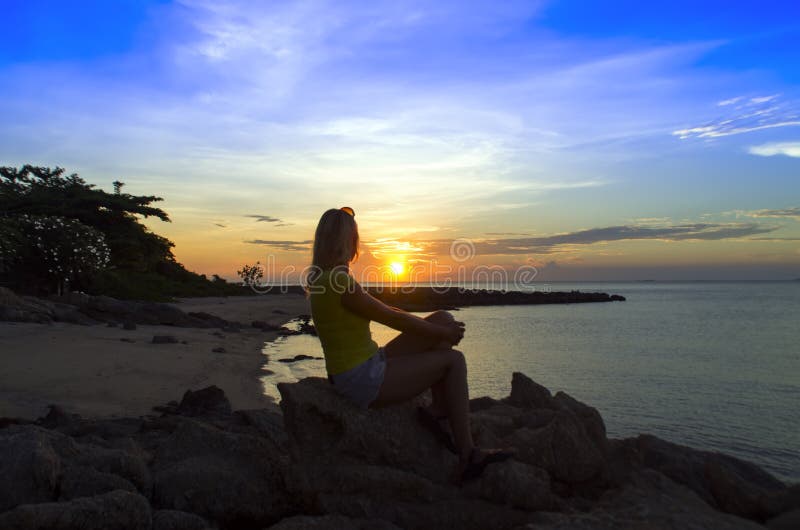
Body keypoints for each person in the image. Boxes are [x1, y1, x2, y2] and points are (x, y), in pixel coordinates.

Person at [305, 206, 514, 484]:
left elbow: (387, 309)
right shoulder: (339, 281)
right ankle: (468, 455)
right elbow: (390, 317)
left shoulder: (321, 280)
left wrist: (438, 327)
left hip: (364, 365)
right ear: (347, 241)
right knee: (454, 360)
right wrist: (442, 334)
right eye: (355, 237)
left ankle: (439, 409)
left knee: (442, 316)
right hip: (361, 379)